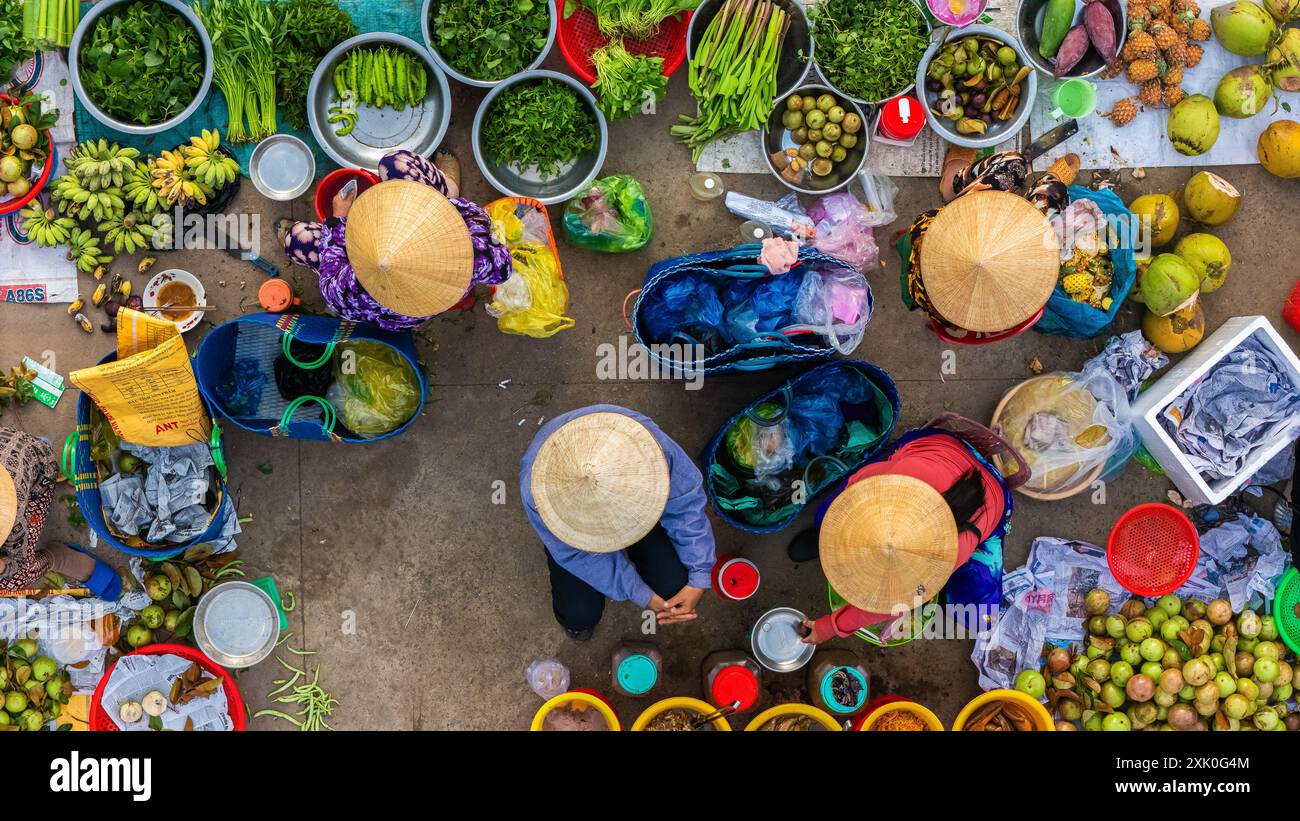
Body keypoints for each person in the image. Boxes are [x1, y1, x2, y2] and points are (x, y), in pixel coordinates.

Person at [521, 406, 717, 640]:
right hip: (576, 540)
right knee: (580, 614)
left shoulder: (648, 446)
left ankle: (642, 535)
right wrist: (641, 593)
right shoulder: (538, 495)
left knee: (674, 586)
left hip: (639, 512)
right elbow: (580, 556)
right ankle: (576, 620)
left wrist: (699, 574)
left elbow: (685, 504)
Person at [791, 432, 1006, 645]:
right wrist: (827, 627)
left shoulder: (949, 553)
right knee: (826, 515)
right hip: (940, 447)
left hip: (994, 495)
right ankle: (821, 536)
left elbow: (891, 606)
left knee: (980, 616)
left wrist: (829, 626)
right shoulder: (887, 483)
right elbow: (850, 495)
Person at [279, 149, 512, 330]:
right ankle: (448, 185)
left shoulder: (350, 288)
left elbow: (331, 275)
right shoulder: (473, 248)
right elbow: (503, 270)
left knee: (297, 240)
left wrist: (337, 220)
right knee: (393, 164)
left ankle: (448, 187)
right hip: (433, 298)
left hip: (390, 308)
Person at [0, 427, 120, 599]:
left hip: (41, 473)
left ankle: (56, 557)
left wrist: (3, 566)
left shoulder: (13, 521)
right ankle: (34, 449)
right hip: (10, 447)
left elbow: (17, 563)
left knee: (11, 580)